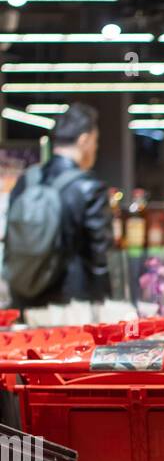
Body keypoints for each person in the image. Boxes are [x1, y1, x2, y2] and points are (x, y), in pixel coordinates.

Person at [4, 102, 111, 308]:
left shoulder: (26, 180)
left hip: (24, 299)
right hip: (71, 304)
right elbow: (100, 258)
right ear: (84, 140)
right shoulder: (89, 187)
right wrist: (105, 304)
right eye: (96, 141)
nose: (95, 148)